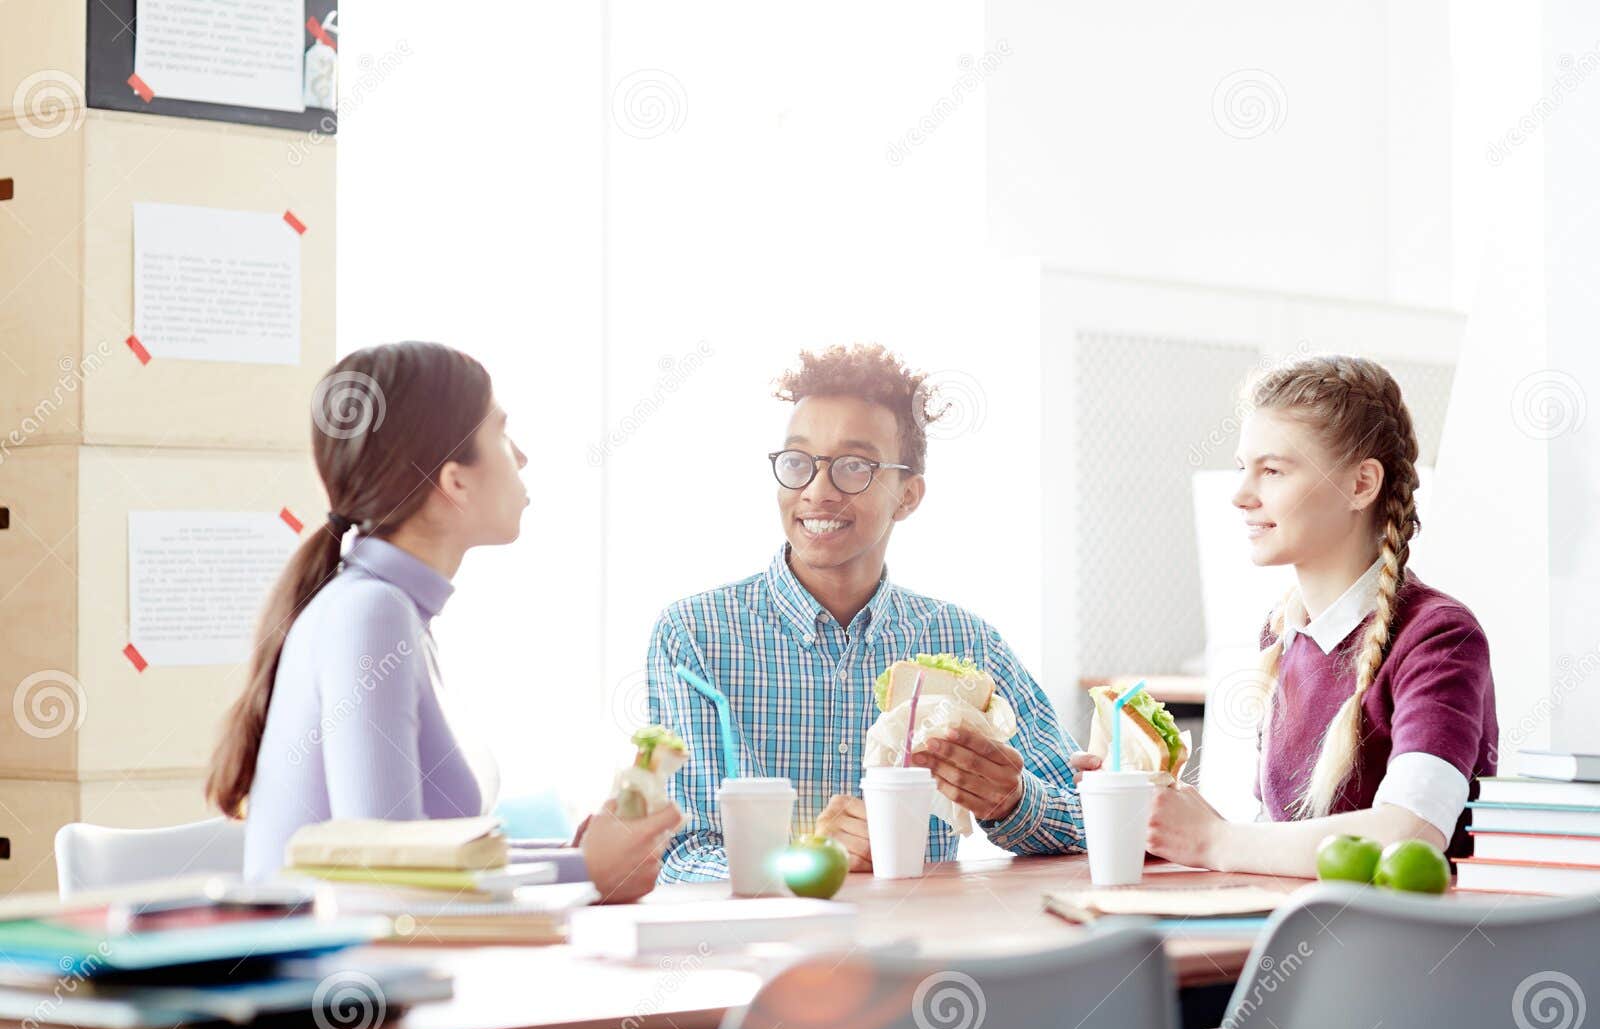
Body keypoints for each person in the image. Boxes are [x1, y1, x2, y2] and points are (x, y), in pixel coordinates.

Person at [212, 341, 678, 899]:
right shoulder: (372, 613)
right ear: (456, 481)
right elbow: (384, 877)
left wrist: (574, 858)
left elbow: (416, 853)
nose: (522, 456)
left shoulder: (387, 608)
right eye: (502, 434)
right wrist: (585, 873)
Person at [647, 343, 1085, 881]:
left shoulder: (965, 643)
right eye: (798, 462)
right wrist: (801, 863)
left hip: (923, 953)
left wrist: (1012, 802)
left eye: (854, 466)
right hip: (767, 955)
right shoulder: (694, 636)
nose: (817, 490)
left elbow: (1091, 815)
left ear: (908, 495)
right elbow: (679, 856)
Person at [1072, 355, 1497, 877]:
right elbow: (1273, 839)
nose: (1241, 495)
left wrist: (1214, 842)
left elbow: (1412, 834)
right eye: (1242, 468)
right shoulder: (1281, 635)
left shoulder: (1440, 637)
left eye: (1272, 470)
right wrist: (1167, 824)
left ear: (1361, 485)